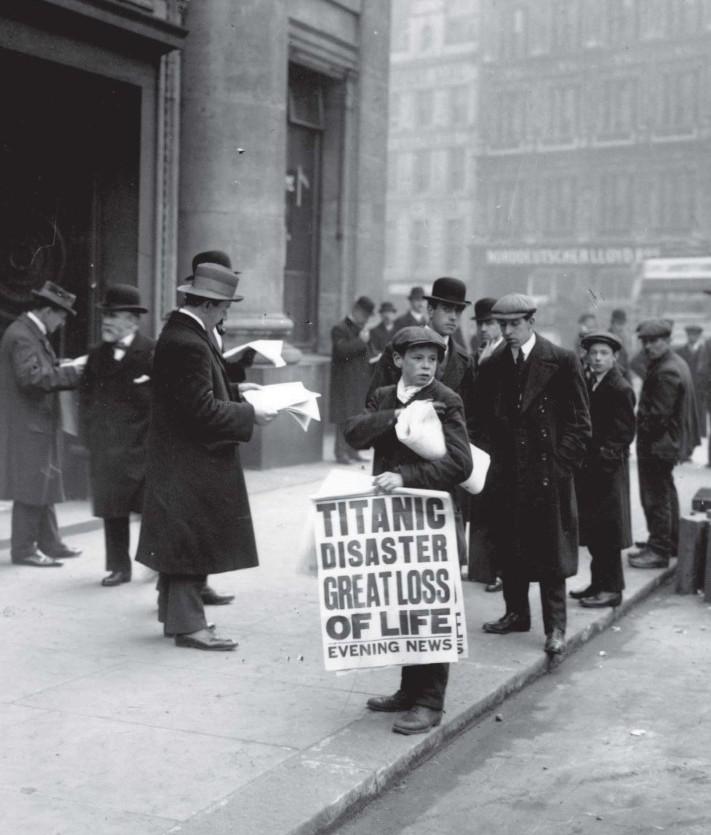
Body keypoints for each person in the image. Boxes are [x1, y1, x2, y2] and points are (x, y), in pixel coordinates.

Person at [135, 262, 277, 650]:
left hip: (180, 457)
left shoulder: (184, 334)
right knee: (189, 542)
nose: (226, 313)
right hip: (191, 459)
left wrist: (233, 388)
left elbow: (195, 393)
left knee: (183, 538)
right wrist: (252, 413)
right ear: (210, 305)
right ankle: (190, 627)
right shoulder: (189, 342)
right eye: (225, 306)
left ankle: (176, 617)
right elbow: (200, 409)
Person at [343, 326, 472, 735]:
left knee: (430, 606)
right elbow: (354, 433)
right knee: (402, 599)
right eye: (418, 358)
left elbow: (460, 464)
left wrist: (404, 476)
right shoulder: (384, 396)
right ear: (398, 360)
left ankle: (430, 701)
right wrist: (395, 416)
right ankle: (408, 689)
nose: (426, 367)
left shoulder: (446, 400)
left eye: (433, 360)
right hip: (394, 518)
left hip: (430, 515)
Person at [469, 293, 591, 657]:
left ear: (531, 322)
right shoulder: (492, 366)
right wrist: (489, 463)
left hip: (546, 475)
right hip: (508, 475)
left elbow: (580, 423)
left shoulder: (561, 360)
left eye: (514, 324)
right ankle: (516, 614)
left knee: (551, 555)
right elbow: (479, 420)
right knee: (510, 547)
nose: (507, 331)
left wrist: (559, 467)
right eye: (501, 324)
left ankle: (555, 627)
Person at [0, 281, 84, 567]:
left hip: (34, 423)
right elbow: (32, 378)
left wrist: (63, 364)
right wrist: (72, 373)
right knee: (31, 486)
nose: (61, 323)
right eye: (61, 316)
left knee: (42, 482)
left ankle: (50, 542)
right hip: (29, 425)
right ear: (48, 311)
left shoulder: (28, 332)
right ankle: (23, 549)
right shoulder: (24, 336)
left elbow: (38, 369)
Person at [79, 284, 154, 586]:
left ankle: (157, 562)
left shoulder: (151, 351)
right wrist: (91, 440)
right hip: (108, 449)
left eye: (113, 315)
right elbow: (85, 400)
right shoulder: (97, 355)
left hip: (142, 448)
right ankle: (119, 567)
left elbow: (163, 402)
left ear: (133, 321)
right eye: (105, 316)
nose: (106, 322)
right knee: (114, 510)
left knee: (151, 510)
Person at [571, 332, 635, 608]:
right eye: (593, 353)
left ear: (615, 357)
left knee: (608, 534)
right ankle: (598, 584)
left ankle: (612, 590)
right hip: (592, 470)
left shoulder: (619, 387)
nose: (597, 358)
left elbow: (623, 434)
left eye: (604, 354)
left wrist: (603, 463)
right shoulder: (591, 381)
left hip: (607, 473)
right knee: (596, 533)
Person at [628, 319, 692, 570]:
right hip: (665, 444)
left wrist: (639, 427)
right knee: (665, 492)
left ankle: (659, 550)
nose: (647, 346)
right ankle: (668, 542)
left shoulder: (666, 370)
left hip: (657, 444)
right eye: (644, 341)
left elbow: (658, 414)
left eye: (654, 341)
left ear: (667, 341)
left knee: (655, 496)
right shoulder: (671, 363)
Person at [367, 277, 474, 410]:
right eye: (447, 309)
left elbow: (470, 415)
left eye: (458, 311)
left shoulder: (464, 360)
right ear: (430, 310)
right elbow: (374, 402)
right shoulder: (400, 347)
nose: (453, 317)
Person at [467, 296, 504, 591]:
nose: (483, 329)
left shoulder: (503, 352)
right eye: (481, 323)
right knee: (480, 503)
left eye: (489, 323)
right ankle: (482, 569)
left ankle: (500, 571)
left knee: (497, 507)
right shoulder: (481, 350)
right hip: (480, 438)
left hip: (497, 441)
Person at [329, 295, 375, 465]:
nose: (366, 319)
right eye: (365, 315)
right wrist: (361, 342)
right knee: (344, 418)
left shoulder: (360, 330)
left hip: (358, 382)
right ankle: (341, 453)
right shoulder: (339, 328)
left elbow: (365, 354)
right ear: (356, 311)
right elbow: (342, 351)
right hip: (344, 383)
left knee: (356, 416)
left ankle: (353, 450)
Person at [675, 325, 707, 444]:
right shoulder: (680, 352)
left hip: (699, 390)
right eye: (690, 335)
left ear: (698, 336)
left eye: (695, 335)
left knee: (698, 416)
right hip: (685, 388)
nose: (692, 337)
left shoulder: (705, 352)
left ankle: (696, 441)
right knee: (685, 416)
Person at [470, 296, 504, 375]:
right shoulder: (472, 357)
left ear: (501, 323)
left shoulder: (511, 354)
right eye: (479, 323)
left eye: (489, 323)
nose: (483, 329)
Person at [609, 308, 631, 380]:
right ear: (612, 323)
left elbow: (626, 364)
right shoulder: (606, 339)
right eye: (619, 324)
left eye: (622, 324)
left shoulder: (622, 339)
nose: (621, 328)